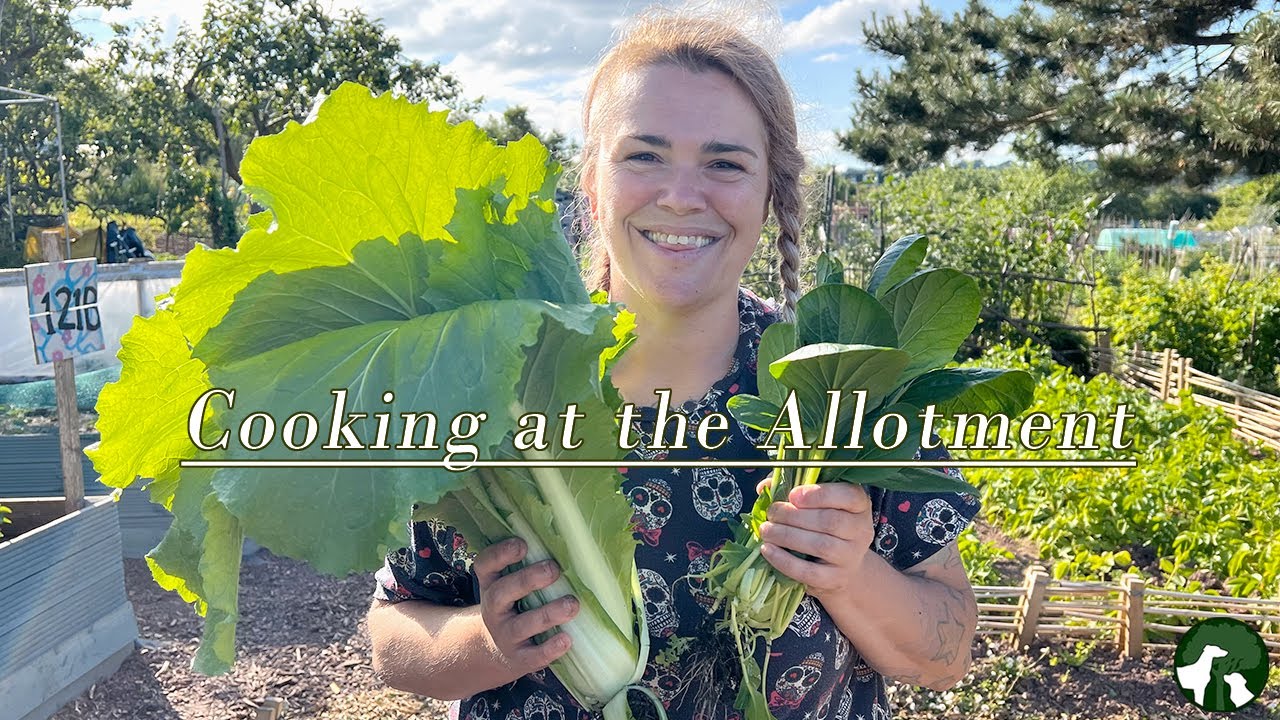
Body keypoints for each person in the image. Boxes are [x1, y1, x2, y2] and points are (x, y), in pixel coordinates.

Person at [367, 7, 980, 720]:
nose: (683, 196)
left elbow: (949, 654)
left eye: (725, 163)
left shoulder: (843, 391)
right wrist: (485, 640)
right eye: (644, 155)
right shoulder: (486, 387)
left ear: (770, 194)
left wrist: (852, 575)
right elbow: (393, 632)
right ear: (592, 185)